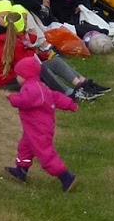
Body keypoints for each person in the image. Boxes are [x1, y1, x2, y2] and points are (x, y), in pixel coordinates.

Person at [5, 54, 78, 190]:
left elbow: (26, 101)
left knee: (45, 153)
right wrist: (70, 104)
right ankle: (21, 169)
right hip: (34, 127)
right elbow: (55, 96)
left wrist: (12, 98)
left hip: (38, 128)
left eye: (18, 75)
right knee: (25, 147)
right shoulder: (40, 86)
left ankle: (65, 176)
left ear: (25, 75)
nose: (17, 78)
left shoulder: (32, 89)